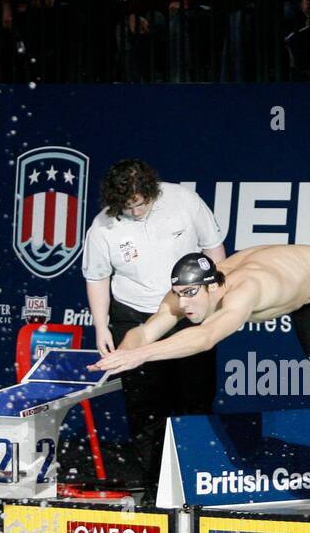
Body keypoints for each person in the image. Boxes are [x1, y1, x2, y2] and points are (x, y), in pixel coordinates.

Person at [90, 246, 310, 436]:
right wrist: (125, 352)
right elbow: (146, 330)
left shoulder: (245, 291)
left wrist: (143, 356)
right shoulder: (187, 293)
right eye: (179, 294)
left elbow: (206, 337)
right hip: (305, 296)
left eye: (191, 295)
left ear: (214, 286)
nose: (183, 304)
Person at [81, 159, 226, 504]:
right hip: (135, 316)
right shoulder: (103, 227)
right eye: (126, 206)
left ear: (152, 190)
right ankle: (154, 489)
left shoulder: (184, 202)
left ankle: (195, 486)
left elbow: (215, 252)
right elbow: (97, 276)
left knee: (194, 401)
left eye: (139, 203)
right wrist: (102, 324)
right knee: (145, 407)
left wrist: (215, 303)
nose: (134, 211)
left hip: (188, 308)